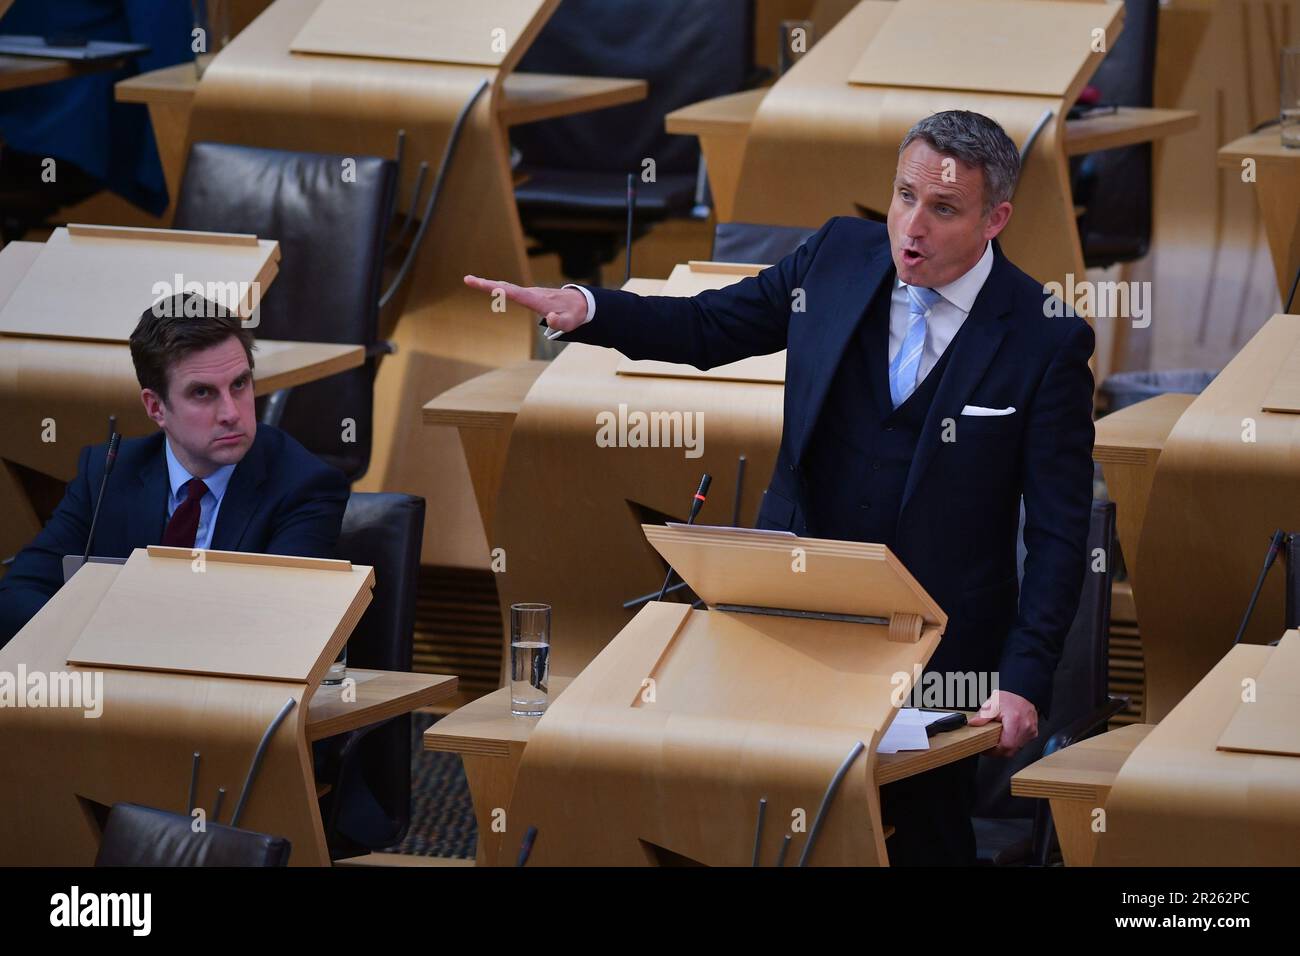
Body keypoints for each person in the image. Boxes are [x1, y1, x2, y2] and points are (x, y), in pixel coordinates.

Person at [464, 110, 1095, 864]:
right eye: (902, 197)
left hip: (940, 651)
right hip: (795, 616)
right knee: (758, 819)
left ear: (996, 219)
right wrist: (589, 309)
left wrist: (1024, 680)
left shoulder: (1046, 336)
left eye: (942, 209)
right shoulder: (835, 256)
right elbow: (705, 329)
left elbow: (1059, 532)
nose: (911, 227)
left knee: (921, 832)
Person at [0, 293, 350, 645]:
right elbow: (18, 595)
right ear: (156, 407)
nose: (231, 412)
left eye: (240, 384)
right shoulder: (106, 474)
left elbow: (282, 629)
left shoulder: (304, 486)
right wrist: (101, 642)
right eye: (203, 393)